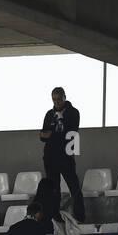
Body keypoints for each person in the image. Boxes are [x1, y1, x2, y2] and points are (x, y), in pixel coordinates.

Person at [40, 86, 85, 222]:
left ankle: (80, 216)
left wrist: (51, 134)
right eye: (54, 100)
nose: (56, 102)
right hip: (50, 156)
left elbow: (71, 133)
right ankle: (55, 216)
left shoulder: (73, 112)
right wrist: (48, 135)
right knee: (54, 189)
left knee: (74, 187)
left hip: (66, 155)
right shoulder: (49, 114)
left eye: (59, 99)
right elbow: (43, 135)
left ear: (64, 97)